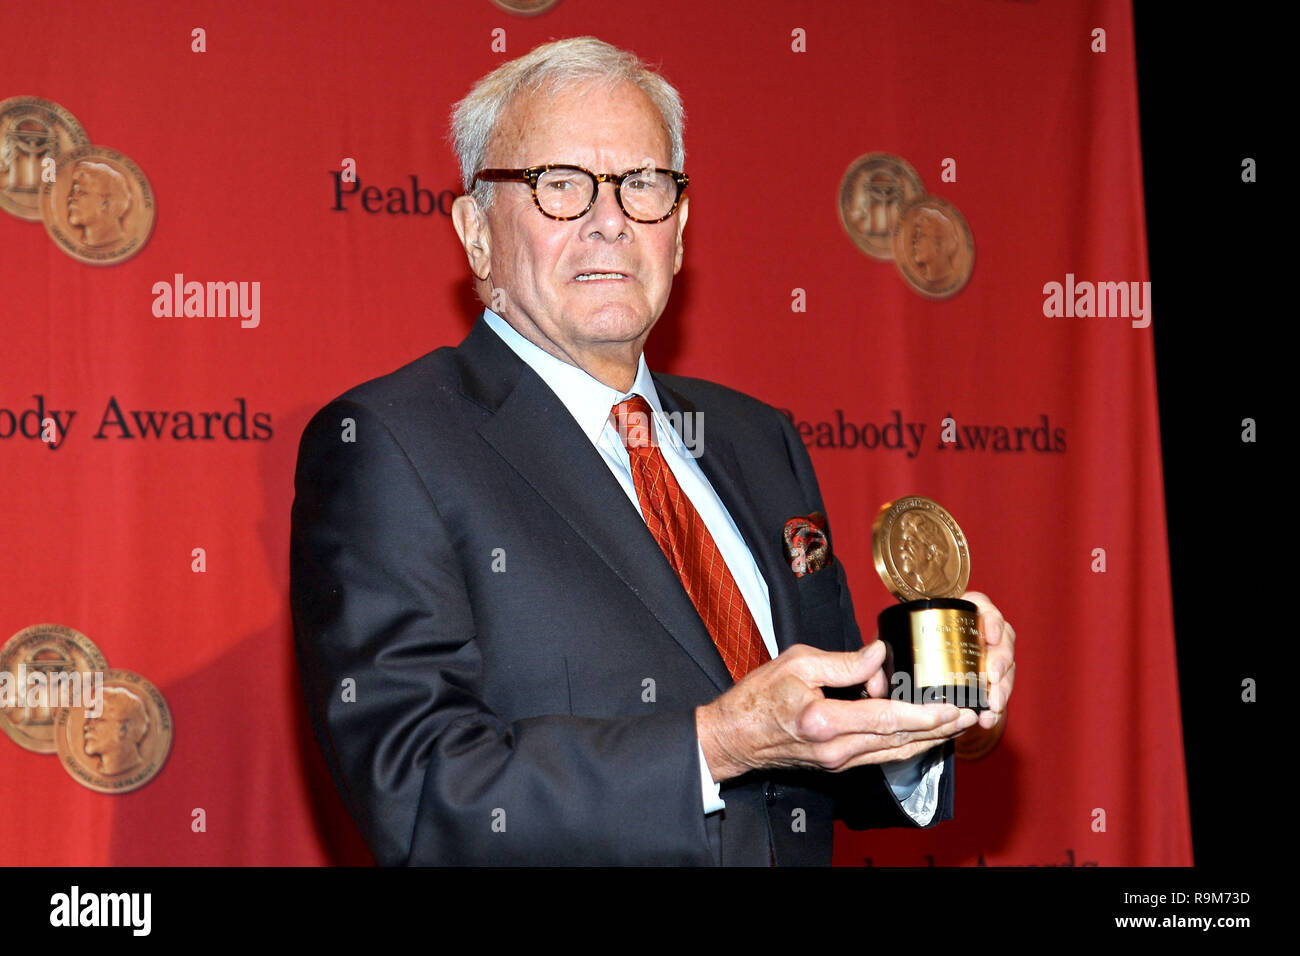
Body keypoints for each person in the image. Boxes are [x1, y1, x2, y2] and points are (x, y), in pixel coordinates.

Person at [290, 36, 1016, 866]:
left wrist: (923, 703)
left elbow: (817, 748)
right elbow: (420, 790)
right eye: (559, 185)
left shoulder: (756, 438)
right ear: (475, 231)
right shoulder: (392, 444)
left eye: (642, 185)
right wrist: (716, 745)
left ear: (678, 228)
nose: (609, 221)